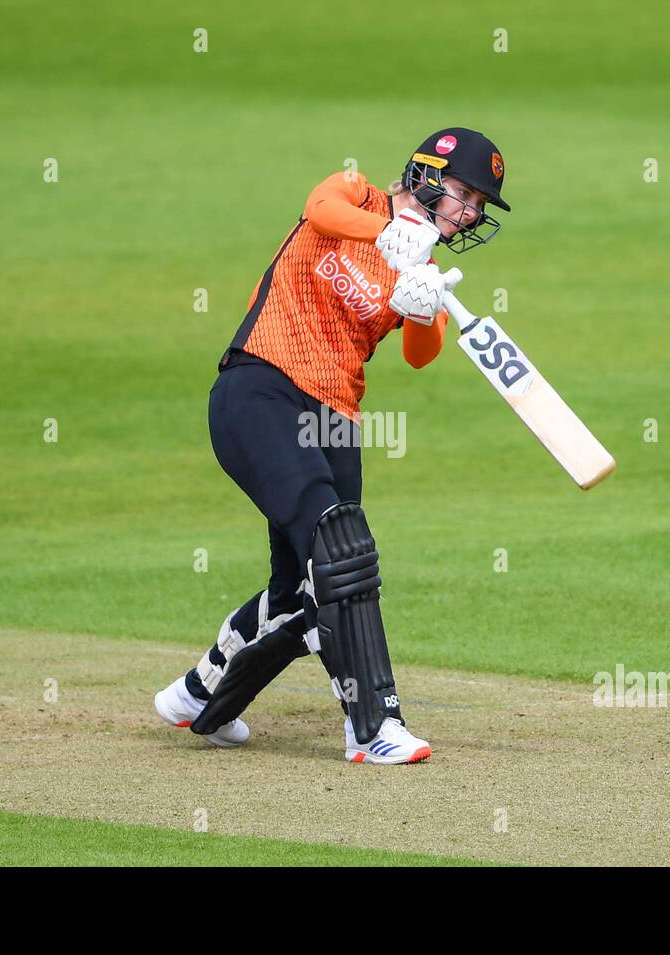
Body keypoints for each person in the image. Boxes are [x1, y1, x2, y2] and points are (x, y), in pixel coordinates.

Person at [154, 128, 510, 764]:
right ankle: (373, 725)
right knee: (341, 546)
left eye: (478, 206)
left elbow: (420, 356)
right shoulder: (357, 195)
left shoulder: (421, 264)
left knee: (307, 591)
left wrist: (422, 303)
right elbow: (320, 208)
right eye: (463, 194)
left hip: (335, 418)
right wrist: (386, 234)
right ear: (426, 175)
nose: (470, 213)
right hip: (260, 388)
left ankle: (202, 696)